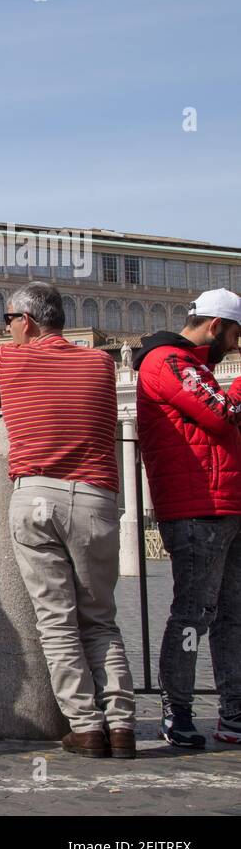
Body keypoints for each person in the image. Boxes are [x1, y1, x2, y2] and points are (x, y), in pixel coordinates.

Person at [0, 281, 136, 759]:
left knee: (56, 621)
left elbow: (2, 383)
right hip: (98, 499)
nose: (7, 328)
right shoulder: (101, 363)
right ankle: (122, 725)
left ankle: (86, 726)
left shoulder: (5, 359)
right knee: (101, 618)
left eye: (10, 319)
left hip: (39, 495)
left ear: (29, 321)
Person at [133, 289, 241, 747]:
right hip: (197, 507)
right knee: (193, 616)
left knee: (232, 617)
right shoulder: (168, 362)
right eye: (235, 336)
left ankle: (234, 715)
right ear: (216, 325)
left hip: (224, 502)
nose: (235, 346)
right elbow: (224, 415)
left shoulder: (195, 368)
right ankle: (177, 712)